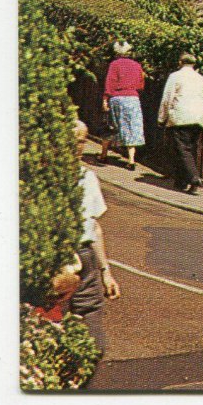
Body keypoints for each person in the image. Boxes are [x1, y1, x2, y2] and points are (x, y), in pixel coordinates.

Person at [68, 120, 121, 356]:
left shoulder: (88, 178)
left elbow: (95, 227)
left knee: (95, 341)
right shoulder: (44, 178)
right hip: (60, 260)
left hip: (86, 257)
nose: (78, 146)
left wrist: (106, 273)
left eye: (82, 140)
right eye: (75, 140)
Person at [158, 52, 203, 194]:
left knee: (181, 149)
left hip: (180, 117)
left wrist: (161, 118)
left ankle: (193, 178)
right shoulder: (202, 79)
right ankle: (181, 181)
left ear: (180, 62)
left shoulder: (175, 77)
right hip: (197, 118)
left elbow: (167, 98)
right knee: (188, 149)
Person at [101, 41, 145, 169]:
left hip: (117, 98)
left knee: (110, 126)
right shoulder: (137, 65)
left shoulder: (114, 65)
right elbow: (141, 85)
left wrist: (105, 99)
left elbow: (110, 83)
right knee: (132, 127)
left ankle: (103, 155)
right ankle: (131, 160)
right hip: (133, 99)